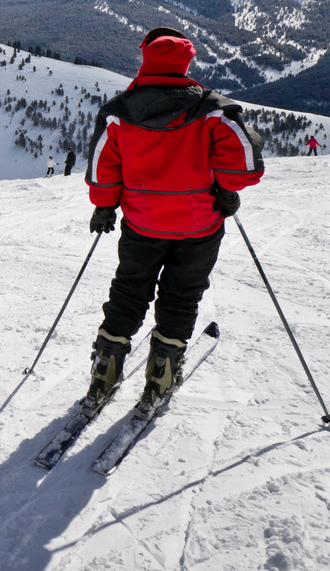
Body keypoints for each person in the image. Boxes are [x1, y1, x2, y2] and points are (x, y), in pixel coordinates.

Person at [82, 26, 265, 417]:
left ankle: (105, 370)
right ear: (187, 62)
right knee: (182, 295)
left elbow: (102, 169)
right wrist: (225, 188)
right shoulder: (213, 109)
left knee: (129, 291)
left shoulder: (118, 111)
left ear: (145, 58)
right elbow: (246, 168)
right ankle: (162, 374)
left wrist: (104, 206)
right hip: (200, 225)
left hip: (142, 223)